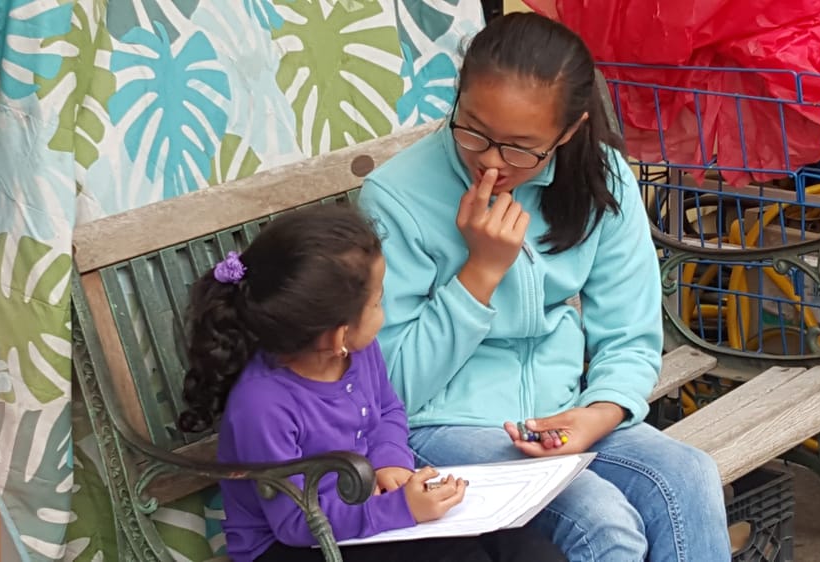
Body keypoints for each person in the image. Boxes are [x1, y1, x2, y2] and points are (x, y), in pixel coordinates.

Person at [357, 12, 731, 562]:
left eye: (520, 148)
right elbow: (391, 387)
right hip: (439, 427)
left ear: (569, 131)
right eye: (473, 129)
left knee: (690, 476)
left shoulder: (602, 178)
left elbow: (629, 335)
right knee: (604, 523)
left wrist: (597, 412)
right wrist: (480, 273)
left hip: (561, 415)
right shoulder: (396, 197)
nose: (490, 160)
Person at [176, 204, 568, 562]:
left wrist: (390, 460)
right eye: (378, 302)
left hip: (365, 505)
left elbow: (387, 410)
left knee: (528, 549)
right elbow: (294, 524)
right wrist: (400, 510)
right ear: (337, 336)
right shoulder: (262, 406)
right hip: (290, 544)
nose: (384, 309)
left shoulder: (357, 352)